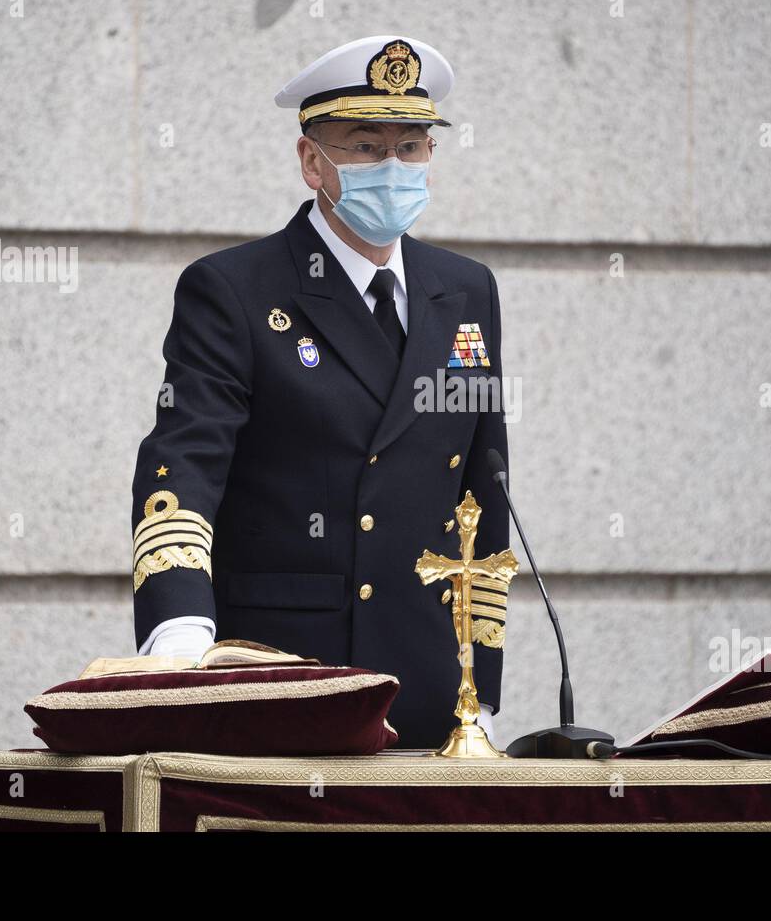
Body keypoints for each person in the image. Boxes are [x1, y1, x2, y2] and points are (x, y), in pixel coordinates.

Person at [129, 36, 510, 750]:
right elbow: (184, 464)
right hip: (288, 690)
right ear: (312, 162)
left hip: (431, 697)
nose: (392, 168)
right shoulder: (236, 290)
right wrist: (179, 631)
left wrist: (480, 688)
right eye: (365, 147)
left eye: (411, 147)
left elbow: (482, 496)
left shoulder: (465, 291)